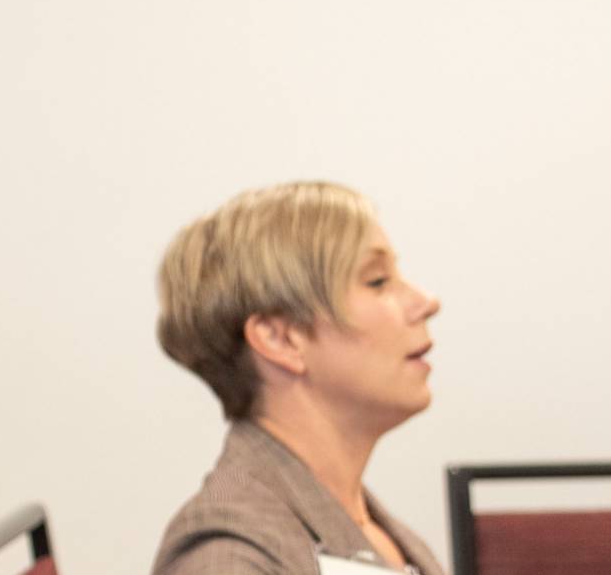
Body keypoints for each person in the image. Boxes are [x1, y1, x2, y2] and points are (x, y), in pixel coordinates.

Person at [151, 182, 445, 574]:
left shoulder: (365, 523)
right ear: (282, 338)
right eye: (377, 281)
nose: (426, 302)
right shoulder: (228, 557)